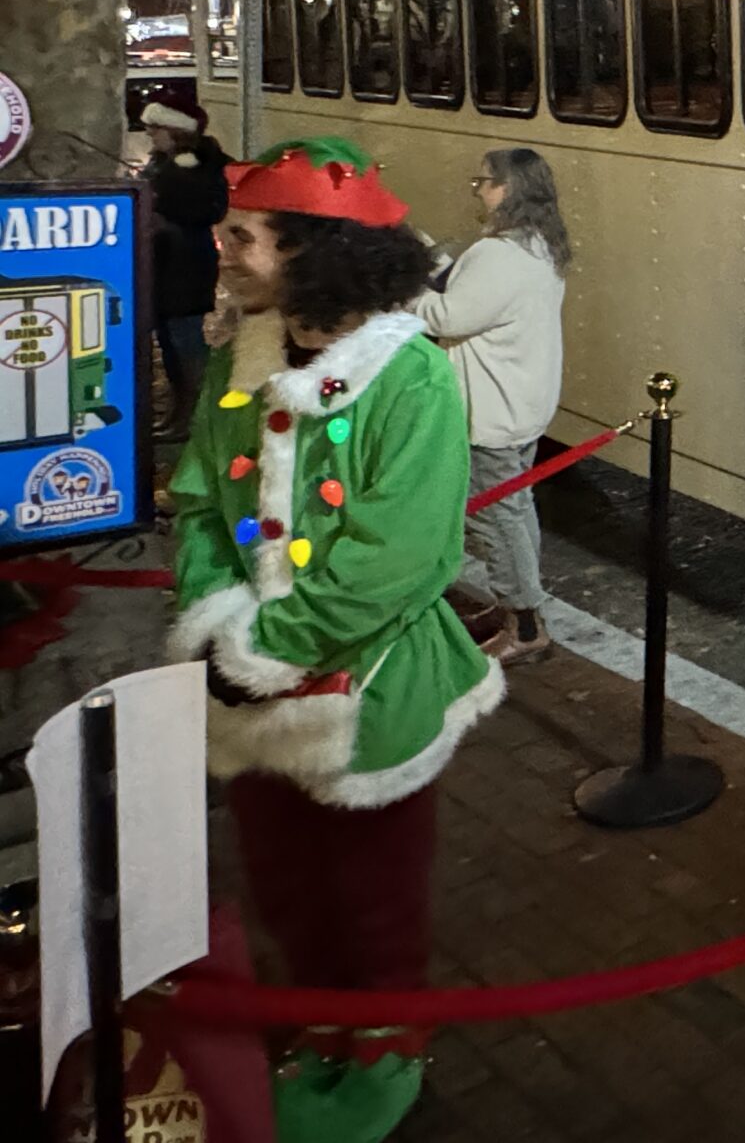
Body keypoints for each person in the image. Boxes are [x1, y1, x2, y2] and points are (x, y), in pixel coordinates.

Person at [165, 137, 498, 1143]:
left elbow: (399, 560)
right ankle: (316, 1021)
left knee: (374, 894)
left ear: (315, 252)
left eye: (242, 235)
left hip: (373, 690)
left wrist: (264, 651)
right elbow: (194, 507)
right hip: (248, 688)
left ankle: (386, 1041)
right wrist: (219, 624)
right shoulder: (242, 356)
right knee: (285, 883)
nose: (220, 248)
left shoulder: (414, 384)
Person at [415, 147, 570, 667]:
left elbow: (444, 316)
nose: (478, 190)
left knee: (496, 520)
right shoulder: (537, 246)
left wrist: (405, 289)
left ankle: (524, 624)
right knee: (516, 511)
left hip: (490, 412)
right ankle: (516, 606)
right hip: (520, 403)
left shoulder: (500, 255)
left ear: (512, 190)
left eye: (485, 181)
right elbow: (477, 295)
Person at [139, 96, 229, 437]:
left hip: (186, 267)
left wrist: (162, 212)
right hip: (163, 267)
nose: (149, 134)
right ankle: (179, 413)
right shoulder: (162, 162)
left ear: (175, 131)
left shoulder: (197, 165)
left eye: (156, 128)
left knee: (185, 343)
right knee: (170, 343)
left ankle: (196, 415)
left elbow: (204, 210)